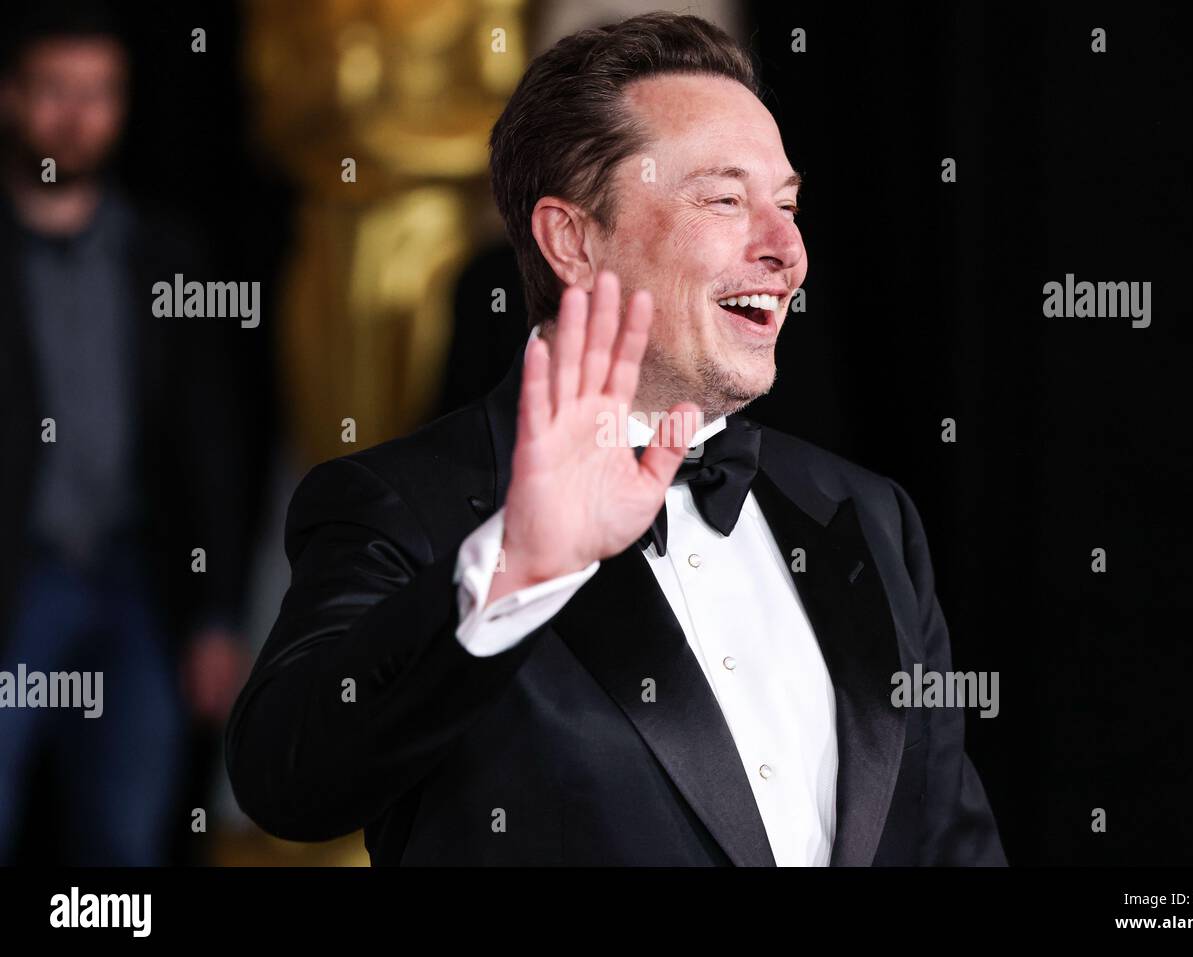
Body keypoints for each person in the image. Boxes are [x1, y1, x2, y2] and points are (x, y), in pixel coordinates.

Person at [226, 12, 1005, 866]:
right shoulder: (404, 505)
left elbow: (953, 845)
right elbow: (286, 781)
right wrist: (519, 569)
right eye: (726, 199)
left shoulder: (870, 514)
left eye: (787, 205)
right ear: (573, 239)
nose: (788, 249)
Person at [0, 3, 249, 864]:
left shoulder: (164, 252)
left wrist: (215, 612)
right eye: (55, 91)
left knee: (124, 847)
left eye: (100, 92)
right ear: (11, 96)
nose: (77, 115)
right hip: (17, 582)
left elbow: (210, 442)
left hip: (137, 586)